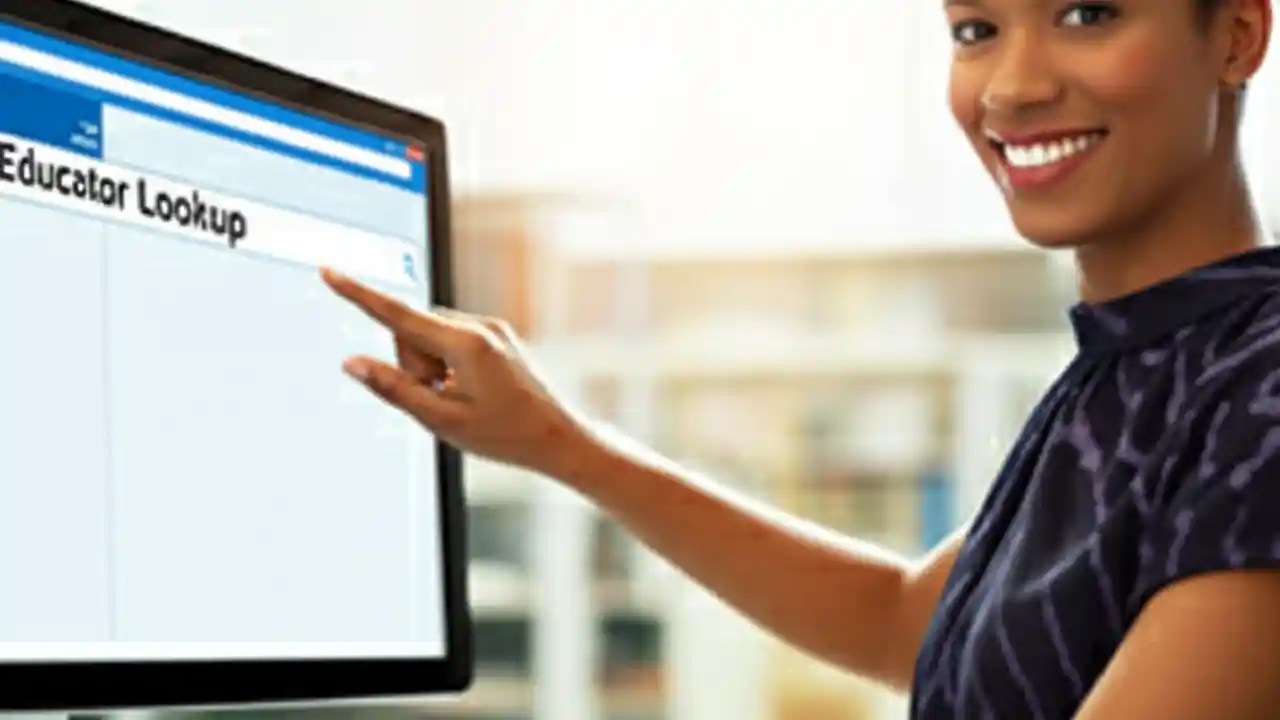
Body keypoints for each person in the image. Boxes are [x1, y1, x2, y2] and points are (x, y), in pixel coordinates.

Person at [322, 0, 1280, 716]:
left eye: (1086, 13)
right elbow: (907, 621)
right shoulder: (1125, 368)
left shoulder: (1260, 380)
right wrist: (563, 447)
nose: (1011, 86)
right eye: (975, 28)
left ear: (1238, 34)